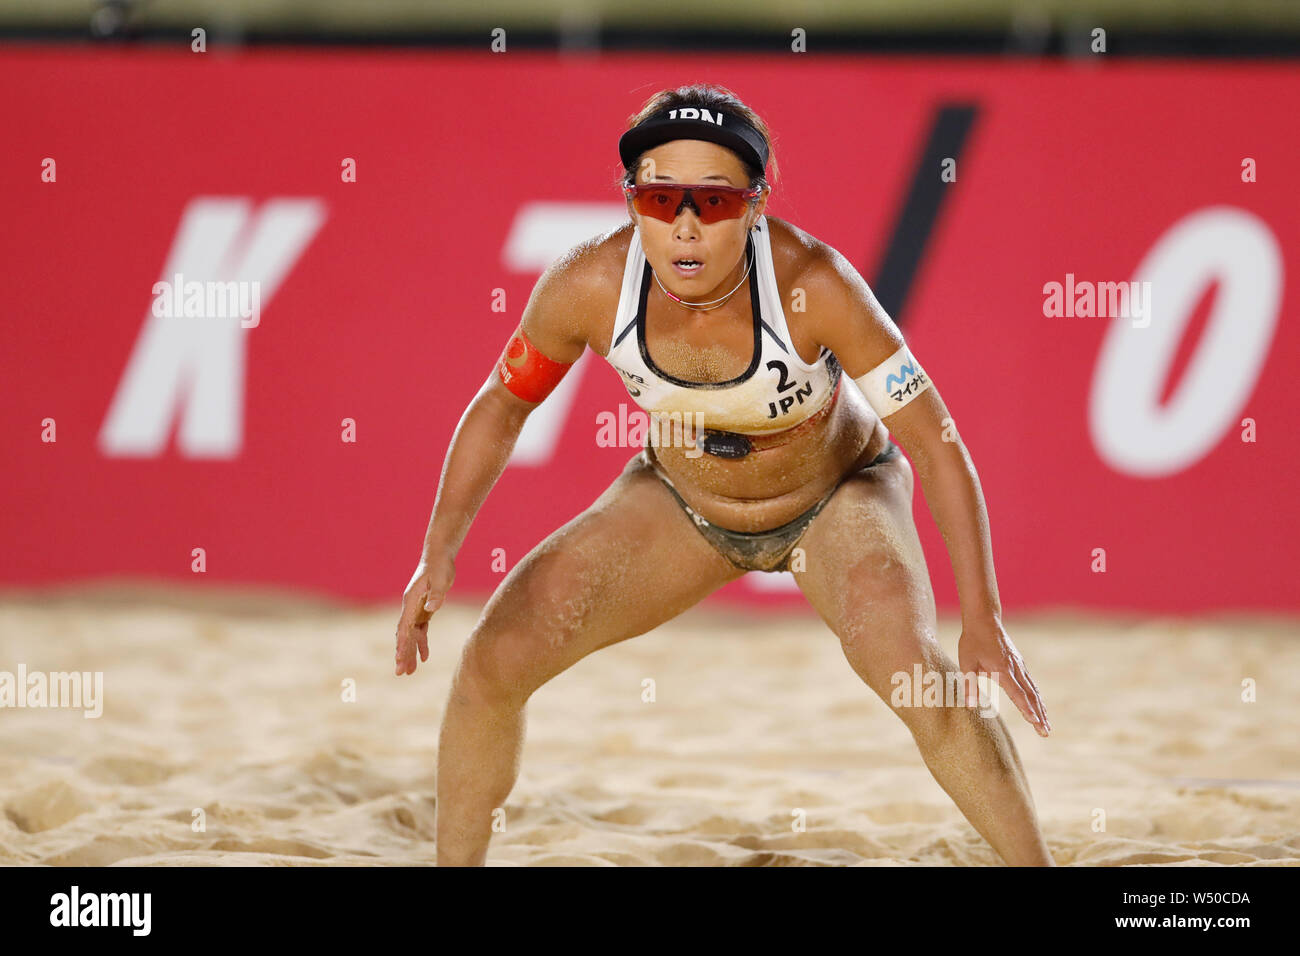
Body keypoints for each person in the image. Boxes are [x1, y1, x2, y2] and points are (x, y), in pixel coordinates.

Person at [395, 83, 1053, 867]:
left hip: (834, 501)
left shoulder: (816, 286)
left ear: (755, 203)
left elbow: (937, 445)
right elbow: (501, 407)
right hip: (683, 505)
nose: (683, 225)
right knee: (491, 661)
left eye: (712, 201)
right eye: (660, 196)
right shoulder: (590, 285)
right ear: (631, 198)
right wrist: (438, 552)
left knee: (921, 680)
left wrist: (981, 615)